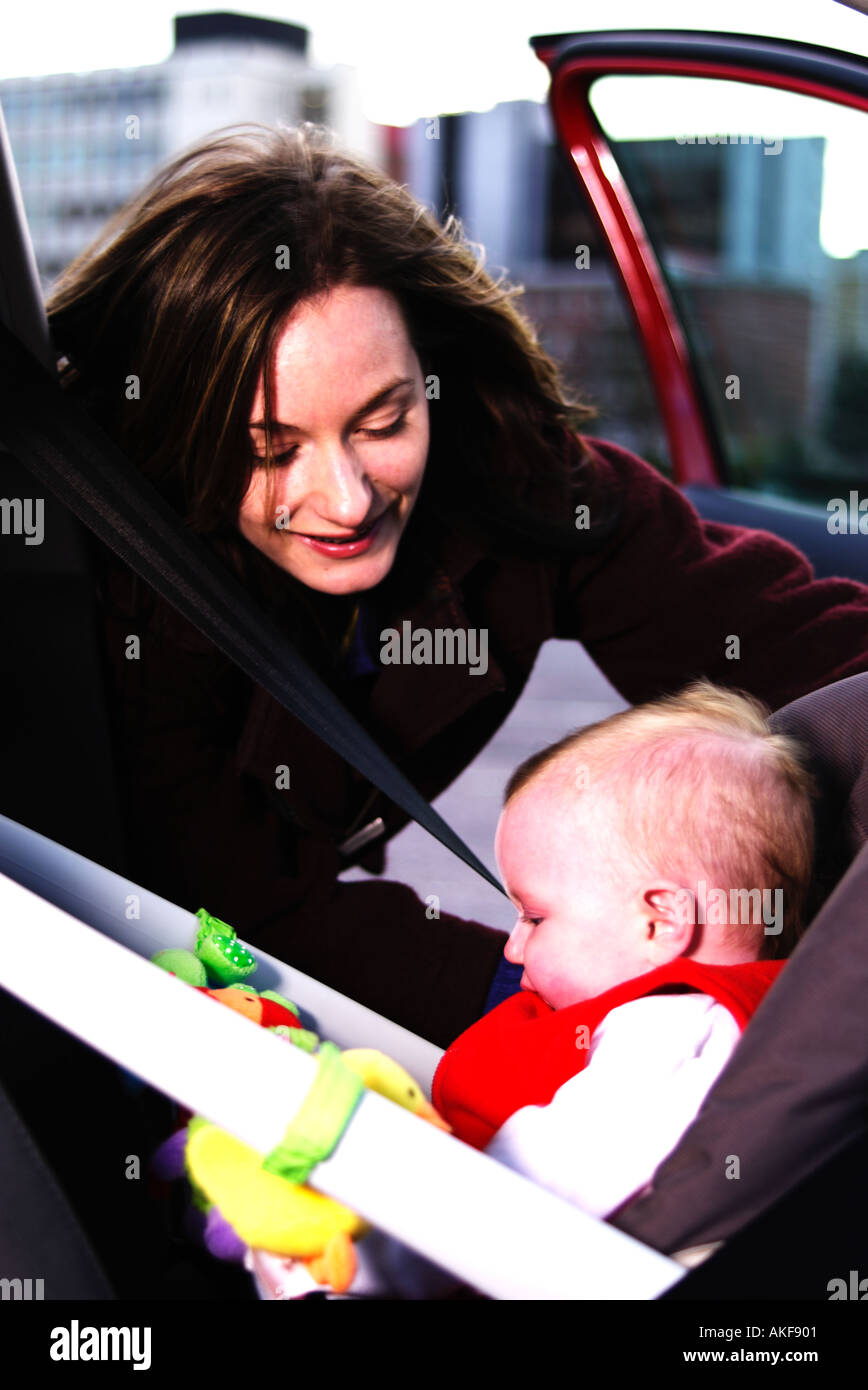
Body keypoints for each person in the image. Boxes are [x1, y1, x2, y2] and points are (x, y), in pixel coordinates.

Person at [44, 121, 868, 1050]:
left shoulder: (519, 484)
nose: (347, 500)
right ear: (181, 431)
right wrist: (544, 1003)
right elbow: (238, 904)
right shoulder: (117, 594)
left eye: (383, 420)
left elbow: (774, 636)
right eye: (269, 451)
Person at [248, 680, 814, 1298]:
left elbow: (533, 1187)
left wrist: (366, 1271)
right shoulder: (644, 1012)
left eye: (536, 918)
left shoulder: (674, 1031)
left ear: (662, 921)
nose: (512, 948)